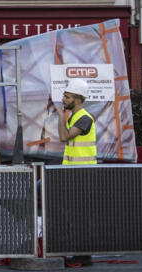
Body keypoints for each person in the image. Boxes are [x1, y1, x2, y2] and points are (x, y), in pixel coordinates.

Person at [59, 78, 96, 267]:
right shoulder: (74, 117)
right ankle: (79, 252)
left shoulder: (84, 118)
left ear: (78, 99)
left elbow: (64, 137)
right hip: (74, 173)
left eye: (67, 96)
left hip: (83, 174)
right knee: (75, 215)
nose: (63, 99)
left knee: (81, 216)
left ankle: (84, 255)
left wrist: (59, 115)